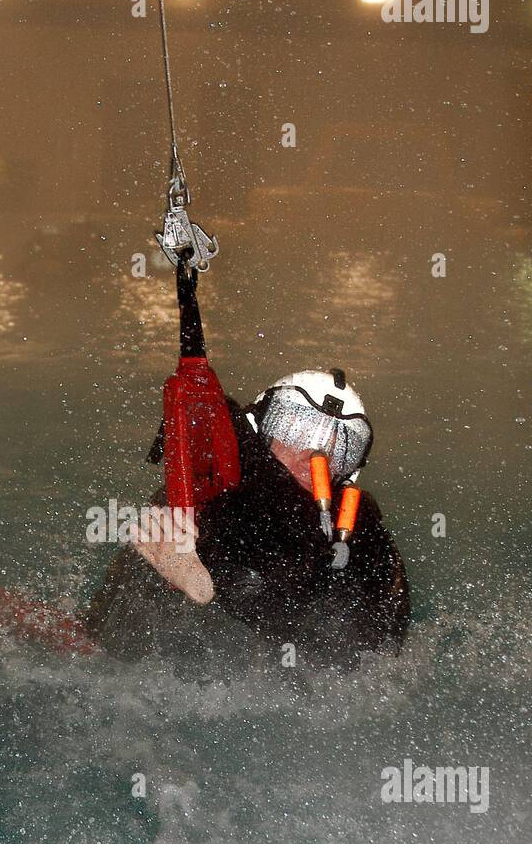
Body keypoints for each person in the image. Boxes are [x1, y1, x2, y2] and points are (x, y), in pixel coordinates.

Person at [86, 263, 410, 672]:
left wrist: (207, 585)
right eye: (294, 429)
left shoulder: (358, 530)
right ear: (261, 426)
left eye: (337, 449)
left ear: (351, 470)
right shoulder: (217, 481)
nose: (313, 460)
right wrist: (187, 580)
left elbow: (367, 644)